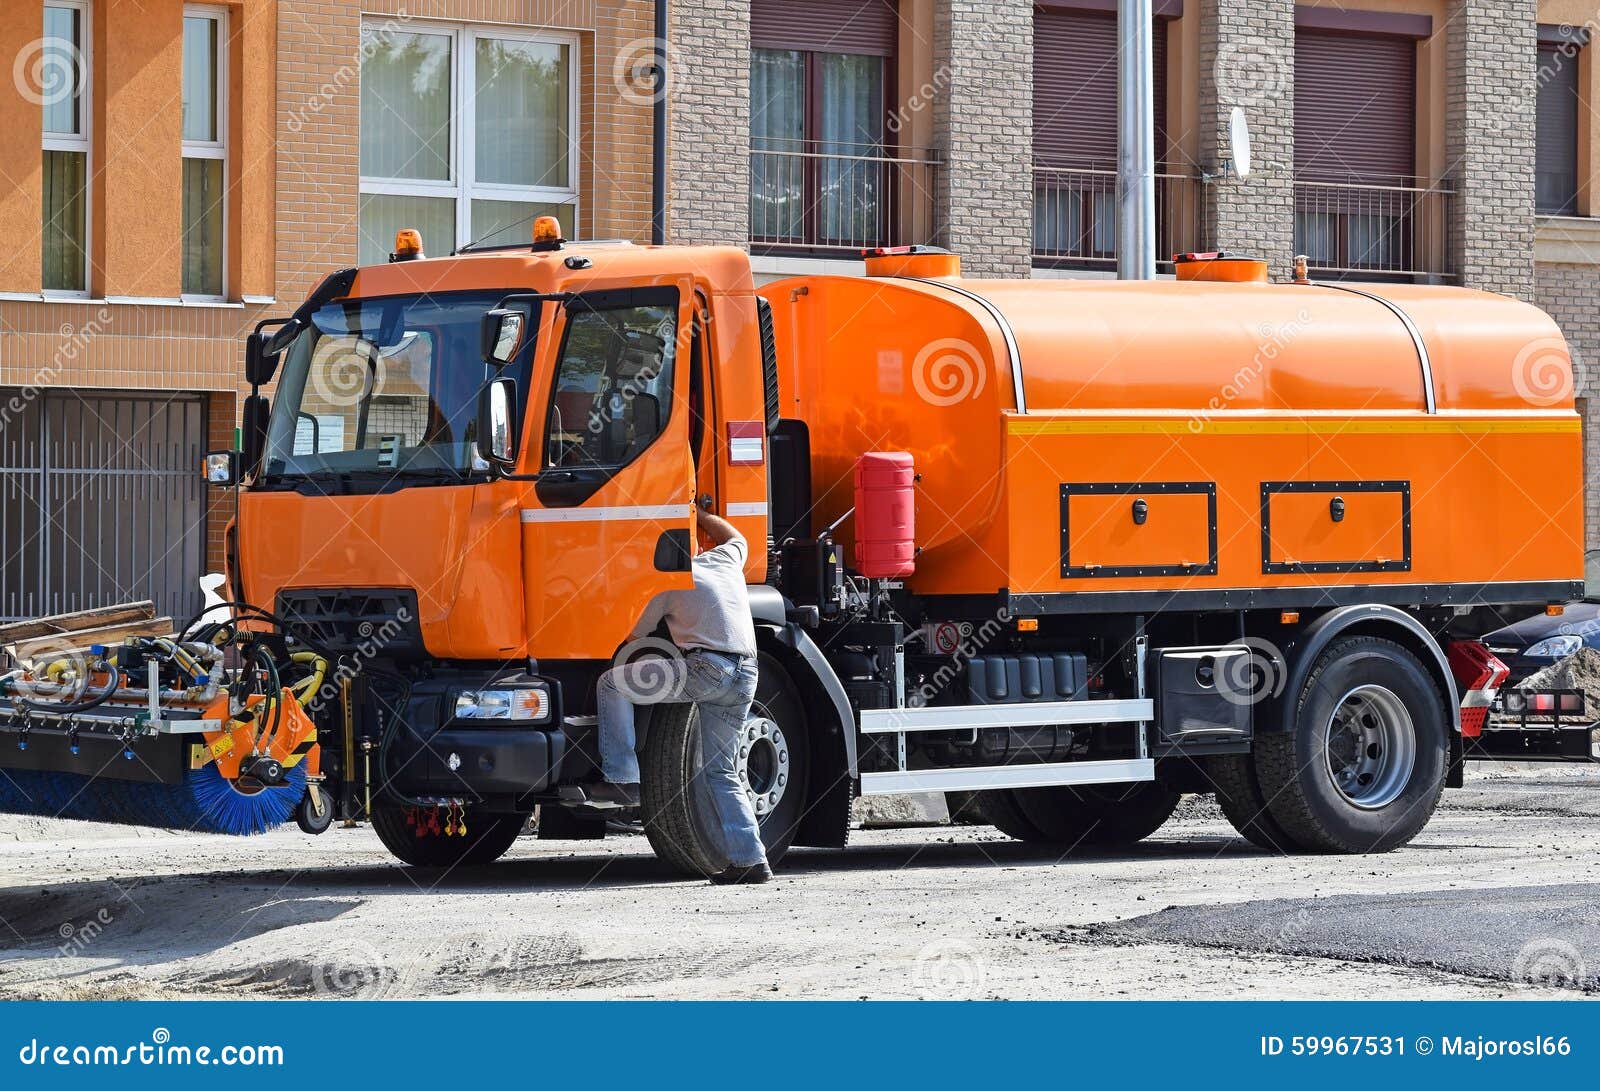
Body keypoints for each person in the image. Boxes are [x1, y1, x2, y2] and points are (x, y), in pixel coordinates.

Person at [592, 507, 771, 885]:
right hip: (747, 674)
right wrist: (701, 513)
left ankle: (623, 779)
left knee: (611, 683)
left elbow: (633, 638)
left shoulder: (667, 585)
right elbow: (736, 537)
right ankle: (751, 860)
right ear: (695, 544)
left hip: (706, 670)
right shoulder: (724, 560)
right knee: (721, 771)